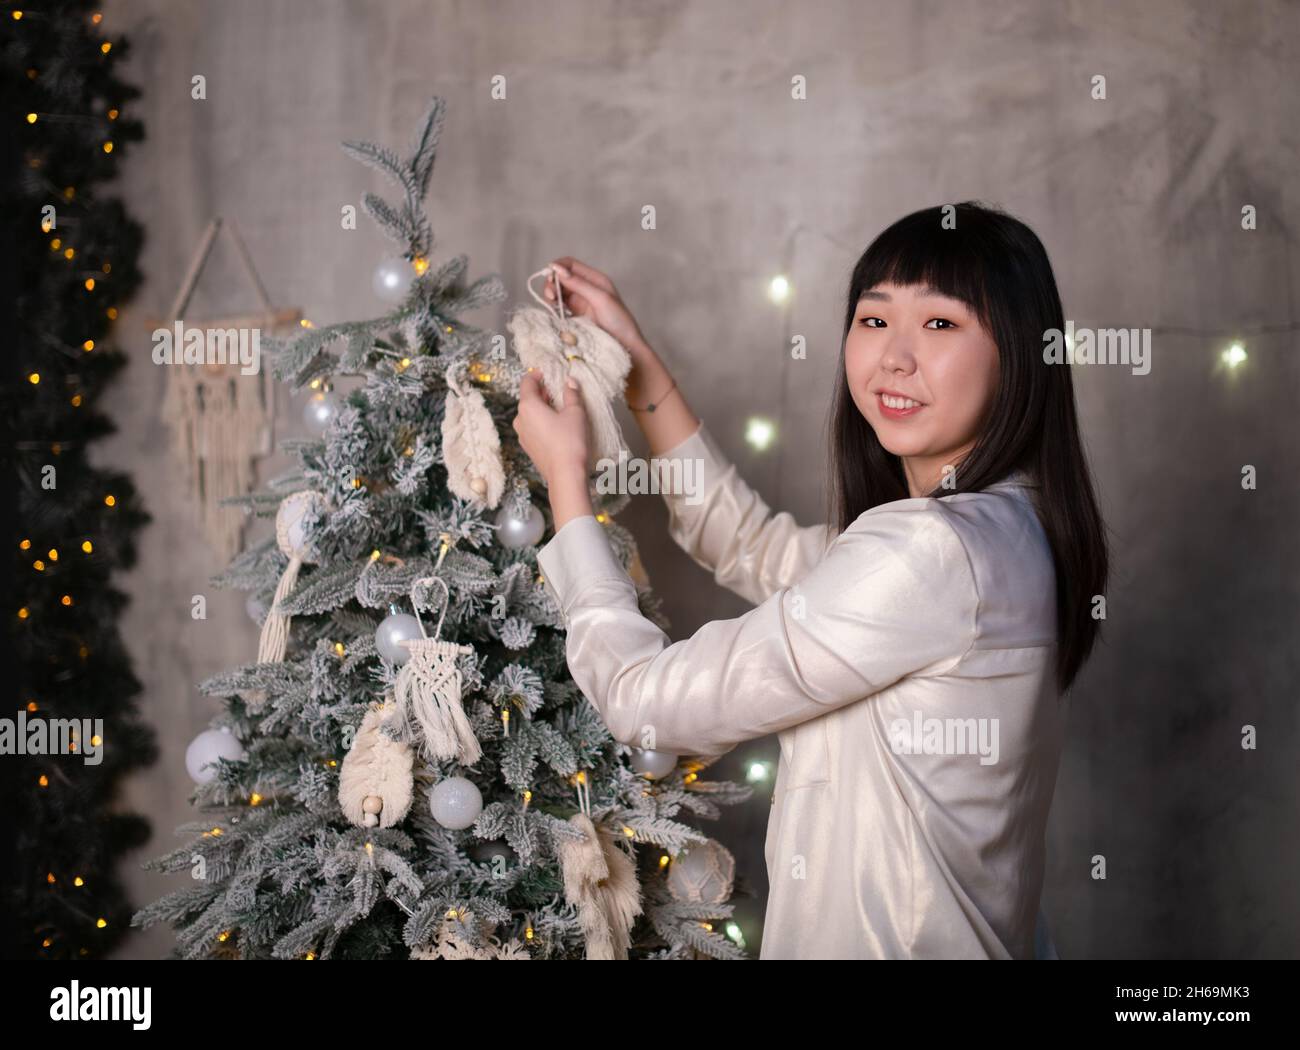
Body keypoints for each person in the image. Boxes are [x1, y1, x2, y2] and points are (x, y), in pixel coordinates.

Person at [513, 201, 1109, 959]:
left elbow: (642, 701)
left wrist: (565, 481)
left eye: (940, 325)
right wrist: (641, 372)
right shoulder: (1011, 528)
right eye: (873, 319)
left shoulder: (931, 550)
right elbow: (752, 544)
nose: (893, 357)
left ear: (1018, 353)